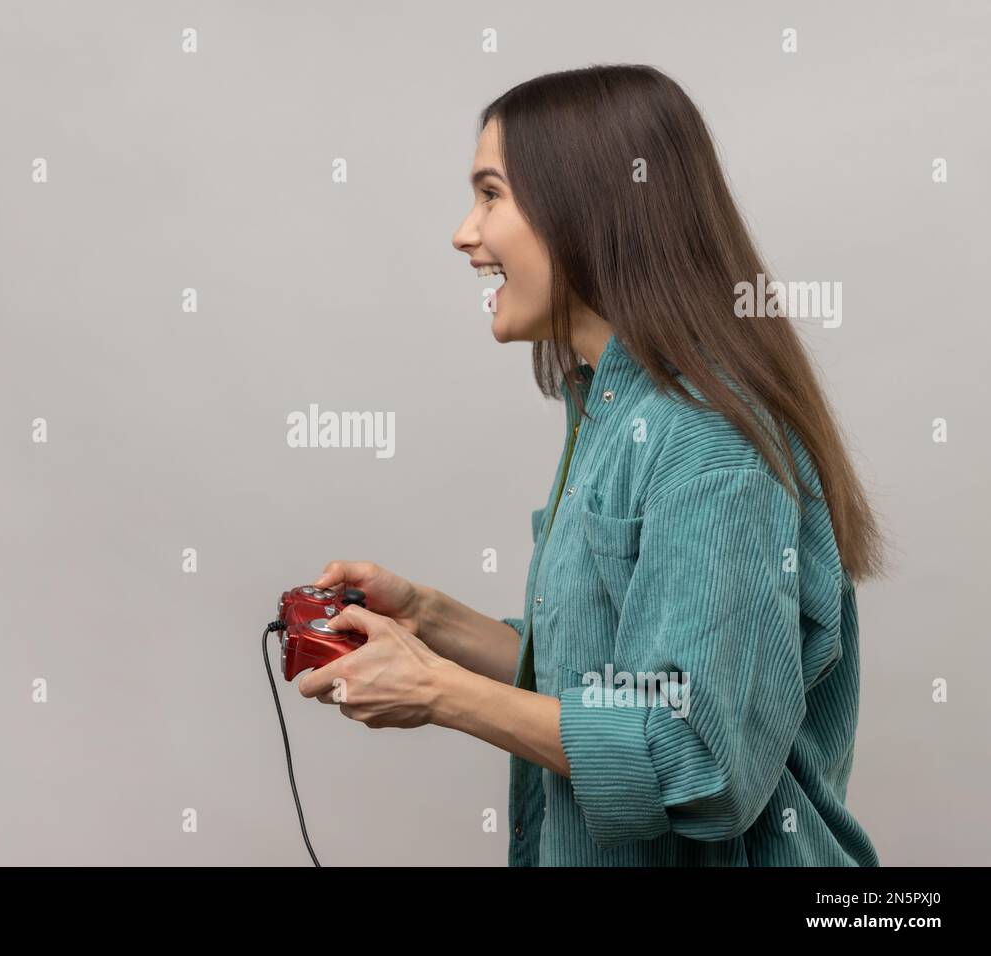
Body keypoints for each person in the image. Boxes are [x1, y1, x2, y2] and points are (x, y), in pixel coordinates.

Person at [298, 65, 885, 866]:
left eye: (491, 194)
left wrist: (438, 691)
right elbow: (609, 683)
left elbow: (697, 759)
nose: (464, 232)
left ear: (584, 205)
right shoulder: (617, 418)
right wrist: (431, 622)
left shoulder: (710, 446)